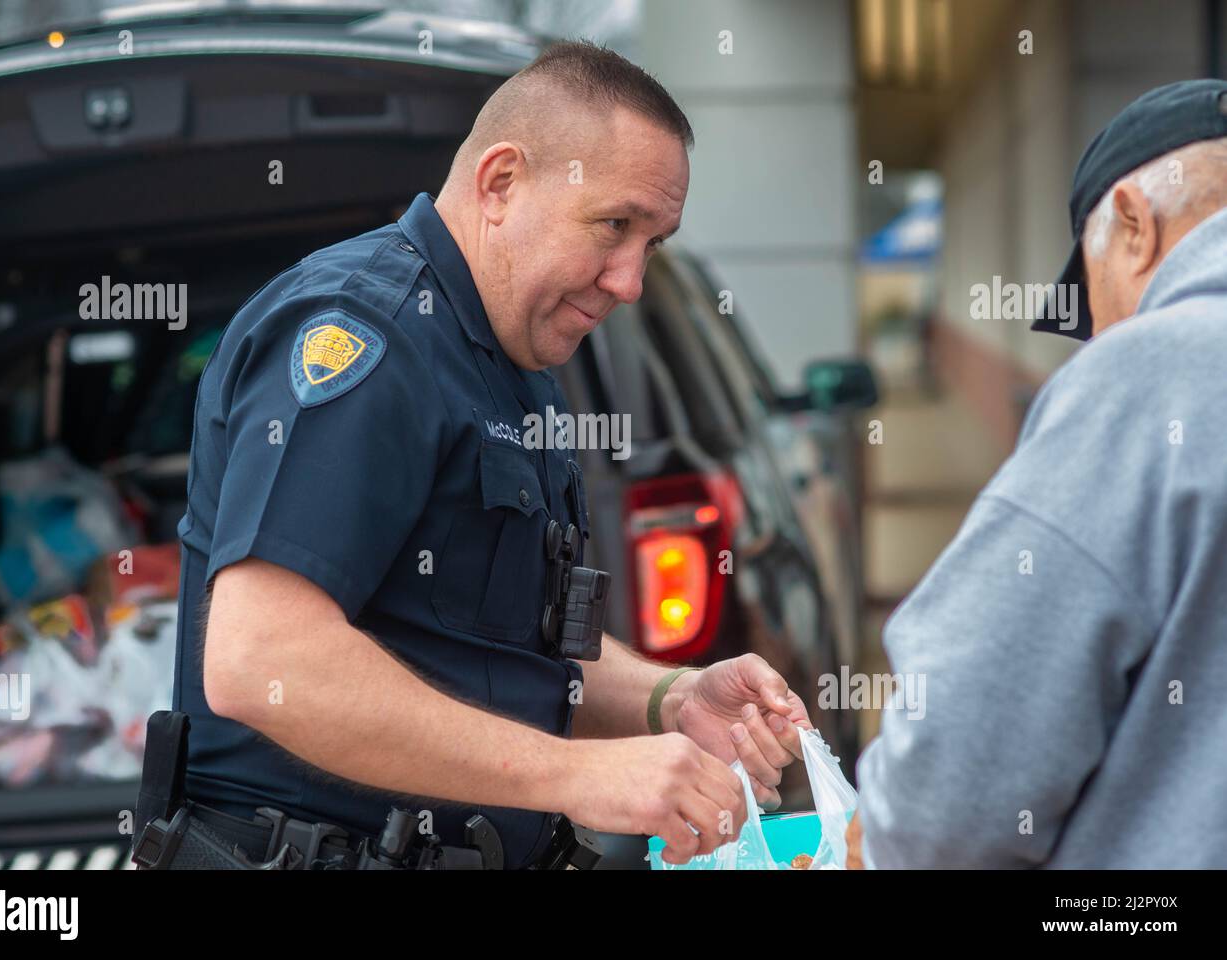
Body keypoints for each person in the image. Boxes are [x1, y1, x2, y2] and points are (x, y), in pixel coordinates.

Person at [162, 40, 812, 871]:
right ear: (500, 184)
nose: (630, 281)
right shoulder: (367, 334)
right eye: (615, 225)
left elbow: (510, 654)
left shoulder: (514, 361)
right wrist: (577, 775)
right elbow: (262, 661)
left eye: (652, 244)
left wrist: (671, 699)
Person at [848, 79, 1227, 868]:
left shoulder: (1151, 373)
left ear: (1133, 224)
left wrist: (882, 831)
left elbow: (952, 794)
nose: (1098, 339)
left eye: (1093, 302)